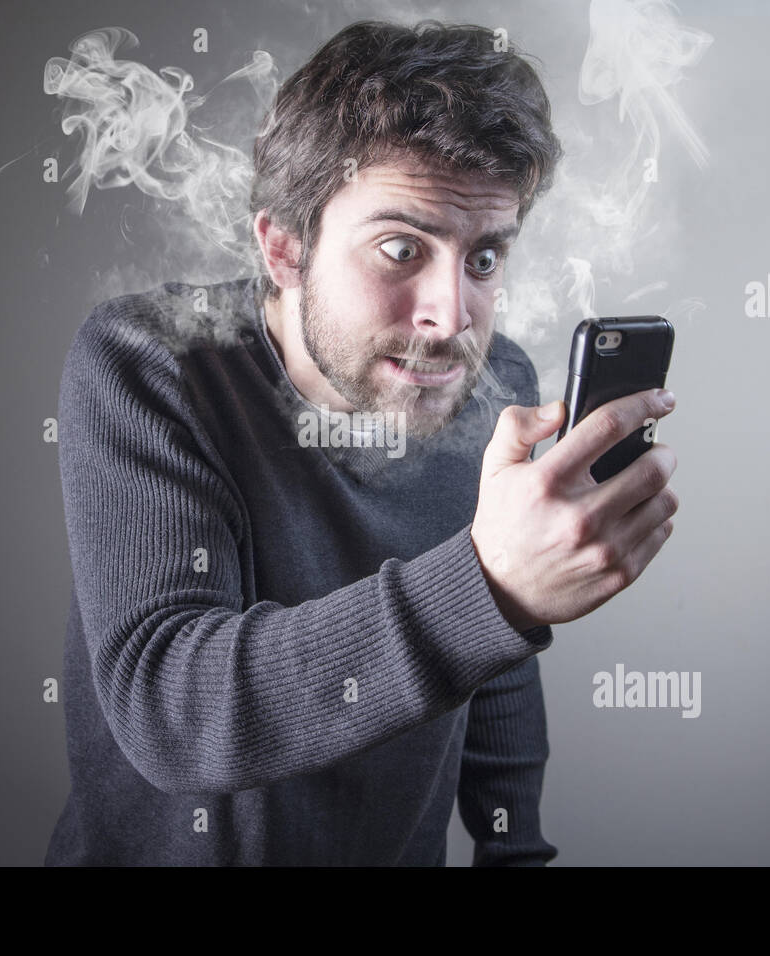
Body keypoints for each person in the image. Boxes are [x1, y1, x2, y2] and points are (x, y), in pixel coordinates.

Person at [45, 18, 678, 866]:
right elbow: (172, 710)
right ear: (285, 247)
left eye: (484, 258)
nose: (450, 319)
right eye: (399, 248)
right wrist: (489, 583)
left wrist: (514, 847)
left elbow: (498, 666)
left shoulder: (495, 387)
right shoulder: (152, 366)